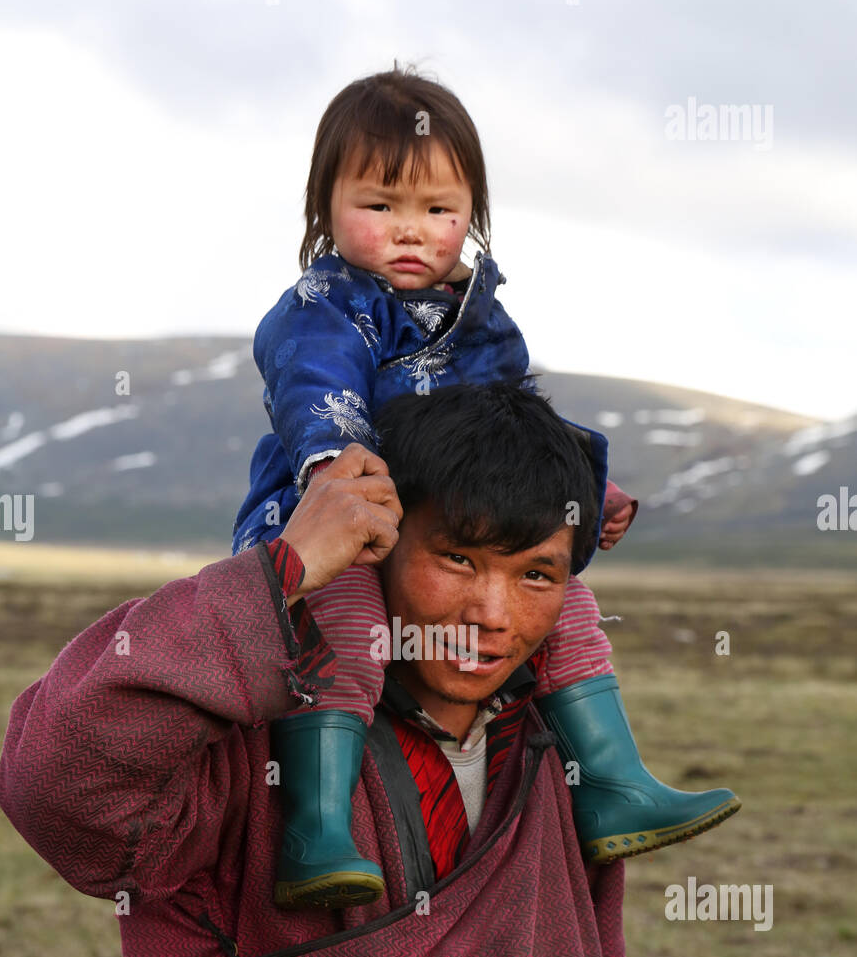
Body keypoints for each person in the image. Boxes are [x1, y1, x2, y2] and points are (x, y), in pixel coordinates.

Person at [0, 379, 710, 957]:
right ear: (373, 543)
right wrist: (281, 574)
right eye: (456, 558)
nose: (492, 615)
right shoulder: (248, 746)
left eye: (536, 574)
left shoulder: (552, 757)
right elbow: (59, 790)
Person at [232, 64, 739, 910]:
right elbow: (315, 390)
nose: (410, 231)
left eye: (438, 210)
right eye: (379, 205)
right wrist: (337, 471)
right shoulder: (325, 306)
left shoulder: (479, 314)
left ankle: (611, 781)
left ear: (473, 213)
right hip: (333, 520)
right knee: (349, 626)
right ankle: (317, 826)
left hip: (456, 518)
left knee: (567, 603)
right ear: (325, 206)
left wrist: (575, 487)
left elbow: (517, 415)